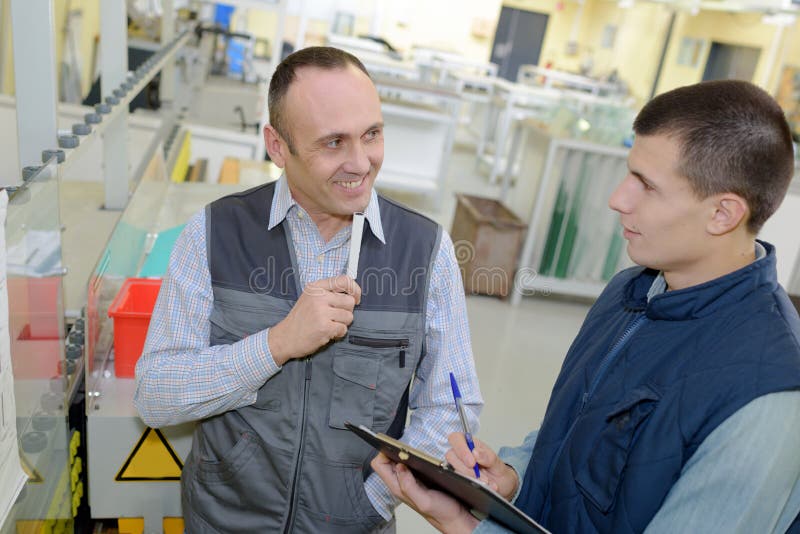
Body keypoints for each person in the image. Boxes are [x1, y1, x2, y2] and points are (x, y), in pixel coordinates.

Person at [373, 79, 800, 533]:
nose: (618, 199)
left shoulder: (769, 394)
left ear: (723, 214)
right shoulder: (629, 292)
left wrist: (467, 527)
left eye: (646, 186)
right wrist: (516, 476)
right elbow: (583, 430)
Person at [134, 46, 483, 533]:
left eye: (372, 135)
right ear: (277, 146)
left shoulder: (426, 252)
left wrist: (373, 501)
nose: (361, 163)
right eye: (333, 143)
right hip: (223, 521)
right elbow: (155, 394)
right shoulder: (213, 233)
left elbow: (452, 406)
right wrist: (275, 345)